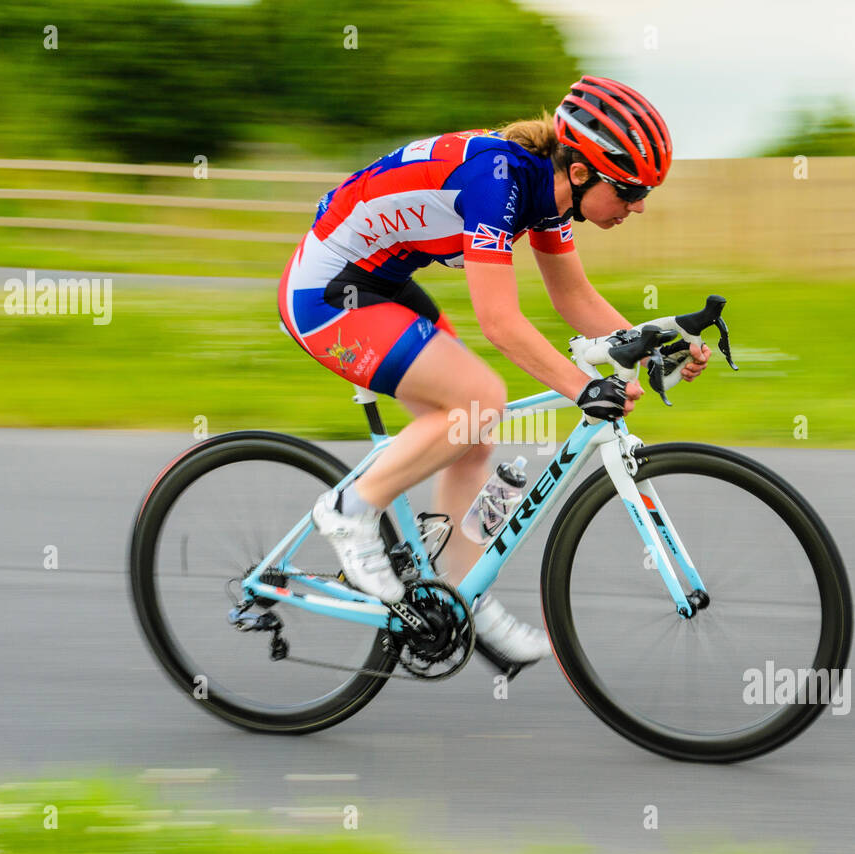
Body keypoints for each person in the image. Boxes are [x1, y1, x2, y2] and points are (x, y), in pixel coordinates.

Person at [277, 76, 710, 664]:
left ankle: (460, 596)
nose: (638, 206)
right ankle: (349, 511)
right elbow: (500, 323)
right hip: (327, 294)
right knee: (479, 398)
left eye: (645, 193)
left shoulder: (549, 194)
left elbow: (574, 298)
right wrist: (585, 387)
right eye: (631, 189)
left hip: (382, 284)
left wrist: (658, 346)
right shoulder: (497, 182)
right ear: (581, 171)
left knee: (474, 436)